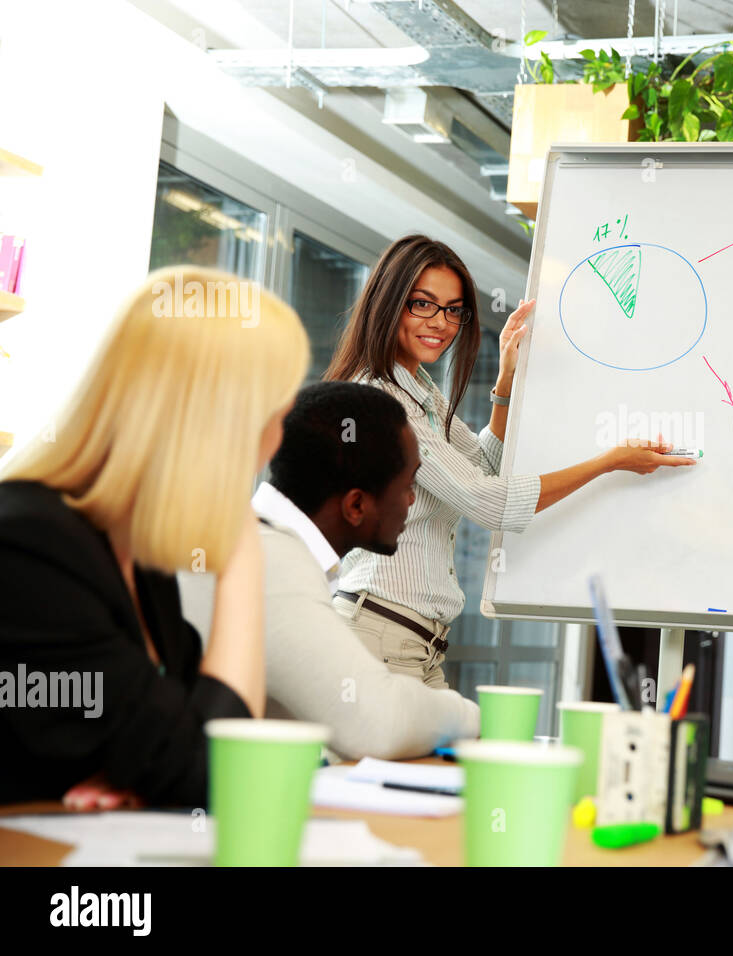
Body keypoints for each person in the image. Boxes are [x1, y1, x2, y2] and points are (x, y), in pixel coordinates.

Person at [324, 235, 694, 688]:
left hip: (410, 644)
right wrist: (608, 463)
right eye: (423, 304)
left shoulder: (419, 393)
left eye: (453, 309)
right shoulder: (382, 400)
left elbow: (482, 464)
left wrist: (505, 381)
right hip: (377, 640)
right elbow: (490, 502)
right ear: (389, 303)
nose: (441, 322)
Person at [0, 266, 308, 808]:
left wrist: (152, 775)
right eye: (274, 417)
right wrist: (242, 551)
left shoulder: (135, 559)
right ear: (218, 427)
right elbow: (217, 770)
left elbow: (194, 742)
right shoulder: (30, 545)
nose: (276, 440)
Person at [179, 382, 479, 758]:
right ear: (356, 506)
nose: (412, 500)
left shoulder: (256, 539)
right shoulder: (271, 562)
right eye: (408, 484)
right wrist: (470, 715)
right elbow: (377, 722)